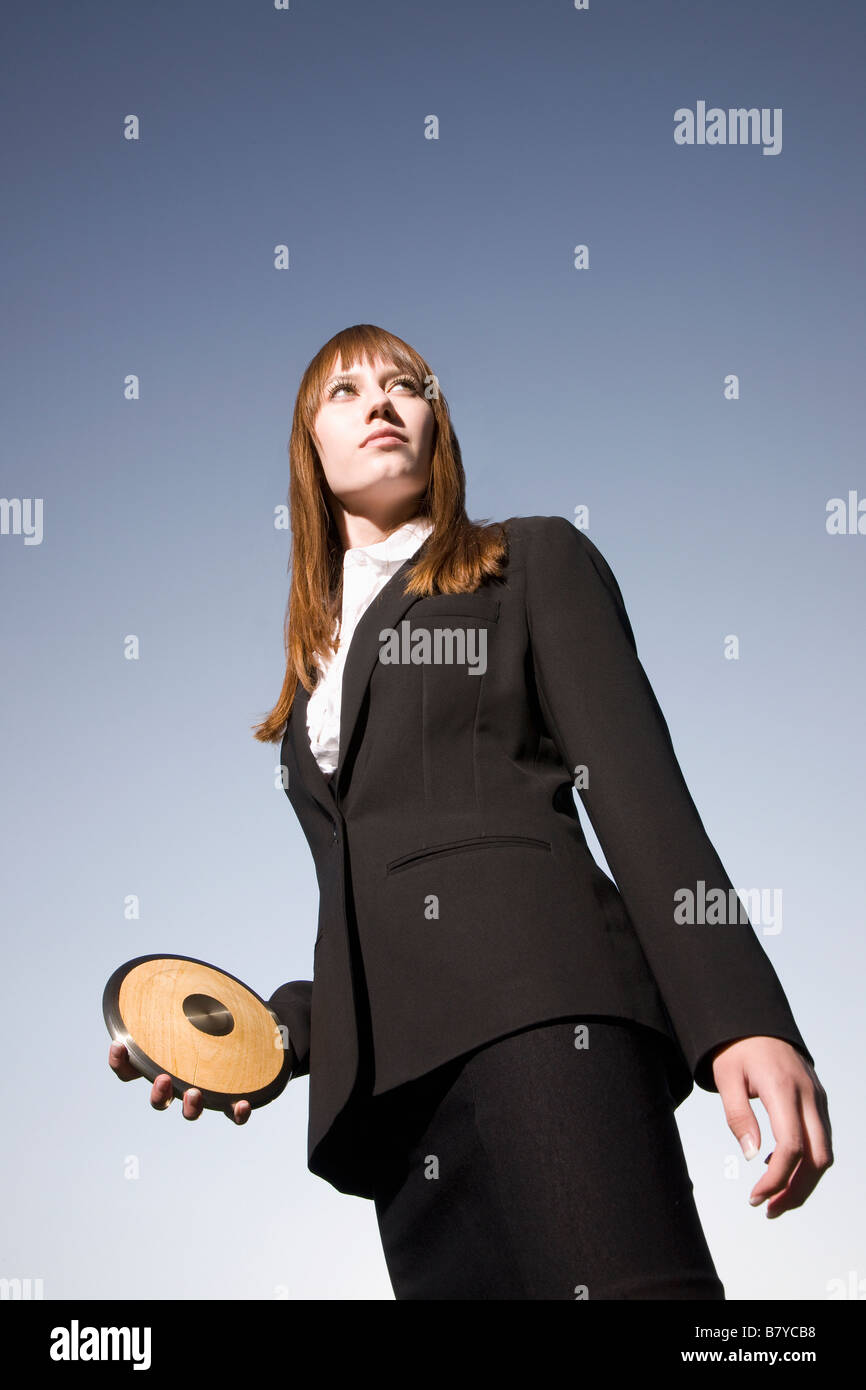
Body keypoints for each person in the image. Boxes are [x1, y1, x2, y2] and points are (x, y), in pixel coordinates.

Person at [109, 323, 833, 1300]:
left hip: (546, 1026)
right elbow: (369, 913)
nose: (378, 403)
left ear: (434, 424)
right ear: (307, 453)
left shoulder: (529, 560)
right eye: (343, 393)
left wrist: (740, 1013)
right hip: (398, 1116)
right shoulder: (308, 686)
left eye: (405, 385)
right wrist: (259, 1037)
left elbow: (638, 792)